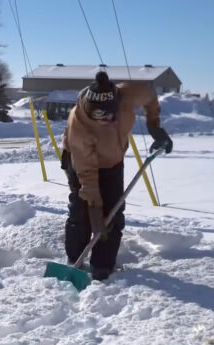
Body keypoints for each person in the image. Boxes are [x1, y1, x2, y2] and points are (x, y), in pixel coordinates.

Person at [60, 71, 173, 281]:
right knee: (83, 211)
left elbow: (150, 96)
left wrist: (154, 127)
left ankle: (103, 265)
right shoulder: (80, 125)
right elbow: (88, 178)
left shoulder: (128, 94)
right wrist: (95, 210)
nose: (108, 120)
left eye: (111, 113)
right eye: (100, 116)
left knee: (113, 212)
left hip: (113, 160)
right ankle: (75, 259)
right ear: (90, 109)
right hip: (80, 163)